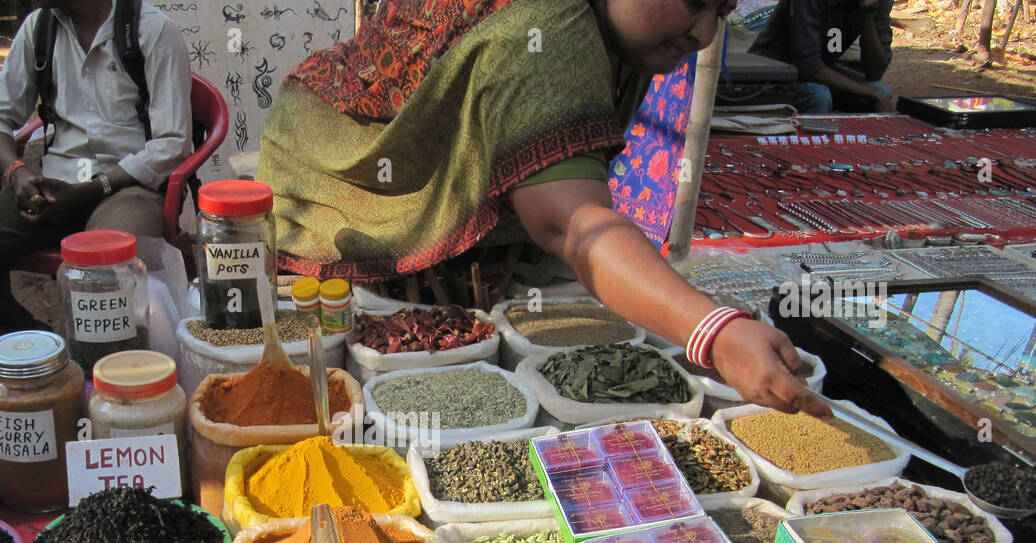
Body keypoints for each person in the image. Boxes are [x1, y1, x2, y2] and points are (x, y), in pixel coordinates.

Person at [258, 0, 828, 417]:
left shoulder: (614, 34)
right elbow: (571, 224)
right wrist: (715, 333)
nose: (704, 32)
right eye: (695, 3)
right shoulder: (550, 33)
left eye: (723, 12)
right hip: (345, 170)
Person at [0, 0, 192, 331]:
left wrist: (92, 190)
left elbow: (171, 144)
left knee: (104, 275)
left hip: (129, 187)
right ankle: (33, 346)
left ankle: (103, 370)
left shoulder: (152, 31)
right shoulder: (38, 29)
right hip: (52, 190)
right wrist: (17, 173)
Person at [749, 0, 896, 114]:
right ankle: (809, 149)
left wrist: (868, 14)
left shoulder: (875, 3)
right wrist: (871, 93)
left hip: (819, 71)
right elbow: (807, 65)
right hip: (772, 75)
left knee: (881, 90)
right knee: (818, 95)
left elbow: (875, 72)